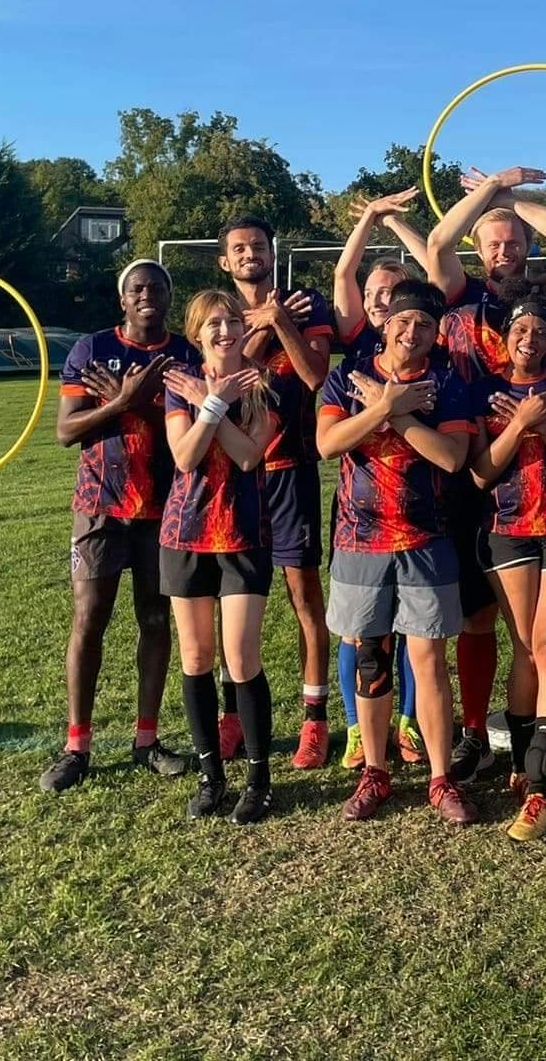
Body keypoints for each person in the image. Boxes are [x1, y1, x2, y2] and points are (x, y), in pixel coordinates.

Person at [420, 165, 546, 784]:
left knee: (543, 635)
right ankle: (475, 731)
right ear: (479, 248)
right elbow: (438, 243)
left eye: (515, 241)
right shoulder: (459, 296)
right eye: (493, 241)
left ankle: (539, 742)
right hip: (472, 466)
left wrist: (512, 200)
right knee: (476, 616)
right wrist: (487, 191)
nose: (505, 250)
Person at [317, 277, 481, 826]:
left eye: (426, 325)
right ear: (386, 324)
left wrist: (398, 414)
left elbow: (452, 457)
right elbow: (328, 444)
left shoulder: (447, 383)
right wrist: (384, 404)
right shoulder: (348, 377)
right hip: (360, 540)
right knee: (371, 657)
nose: (413, 332)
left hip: (426, 540)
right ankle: (375, 771)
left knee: (428, 660)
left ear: (437, 334)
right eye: (404, 321)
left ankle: (440, 777)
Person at [41, 260, 199, 793]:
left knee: (155, 619)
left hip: (165, 508)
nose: (146, 294)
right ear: (123, 299)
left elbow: (197, 429)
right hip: (100, 505)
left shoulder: (186, 356)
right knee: (90, 619)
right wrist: (124, 401)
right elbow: (66, 431)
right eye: (137, 288)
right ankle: (76, 746)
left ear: (169, 297)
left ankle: (146, 740)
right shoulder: (92, 349)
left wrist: (133, 403)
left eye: (157, 287)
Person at [466, 294, 546, 842]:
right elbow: (481, 473)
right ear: (504, 336)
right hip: (508, 528)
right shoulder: (483, 390)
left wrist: (544, 428)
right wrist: (519, 422)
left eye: (541, 331)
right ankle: (527, 760)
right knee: (524, 647)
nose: (530, 339)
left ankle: (543, 783)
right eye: (521, 329)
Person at [218, 215, 337, 771]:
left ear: (273, 251)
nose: (251, 255)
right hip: (233, 476)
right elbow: (224, 375)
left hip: (291, 470)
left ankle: (315, 720)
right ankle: (233, 718)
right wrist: (262, 327)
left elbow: (315, 376)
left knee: (304, 598)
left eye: (259, 246)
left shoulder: (305, 304)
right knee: (234, 602)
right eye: (240, 248)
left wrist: (280, 320)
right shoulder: (218, 312)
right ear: (225, 260)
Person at [158, 290, 279, 823]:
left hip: (243, 538)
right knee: (196, 658)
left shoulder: (263, 384)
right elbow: (185, 457)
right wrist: (210, 399)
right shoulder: (179, 386)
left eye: (232, 321)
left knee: (242, 658)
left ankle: (258, 780)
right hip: (186, 536)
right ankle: (212, 777)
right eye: (213, 324)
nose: (225, 331)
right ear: (196, 333)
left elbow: (249, 456)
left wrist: (215, 400)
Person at [329, 189, 430, 769]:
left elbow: (434, 267)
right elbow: (343, 271)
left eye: (392, 293)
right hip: (362, 505)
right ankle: (355, 727)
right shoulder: (356, 345)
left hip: (416, 502)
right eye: (374, 294)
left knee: (418, 628)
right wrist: (370, 217)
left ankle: (411, 723)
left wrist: (399, 225)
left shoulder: (420, 339)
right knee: (359, 630)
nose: (382, 302)